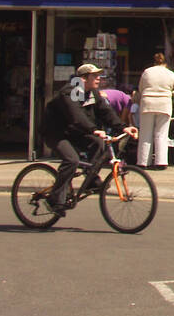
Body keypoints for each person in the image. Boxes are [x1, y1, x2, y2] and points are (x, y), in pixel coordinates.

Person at [41, 64, 135, 212]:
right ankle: (54, 199)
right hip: (57, 134)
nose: (99, 78)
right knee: (71, 160)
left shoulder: (92, 93)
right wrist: (94, 130)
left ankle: (90, 179)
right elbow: (76, 116)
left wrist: (123, 127)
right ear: (83, 78)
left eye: (99, 75)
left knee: (98, 144)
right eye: (95, 76)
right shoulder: (70, 92)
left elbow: (106, 112)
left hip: (75, 132)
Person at [137, 53, 174, 170]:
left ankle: (143, 162)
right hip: (164, 105)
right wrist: (172, 94)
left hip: (147, 104)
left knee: (145, 133)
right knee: (161, 134)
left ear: (154, 62)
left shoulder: (147, 72)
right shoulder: (170, 74)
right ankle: (161, 162)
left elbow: (141, 88)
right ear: (165, 63)